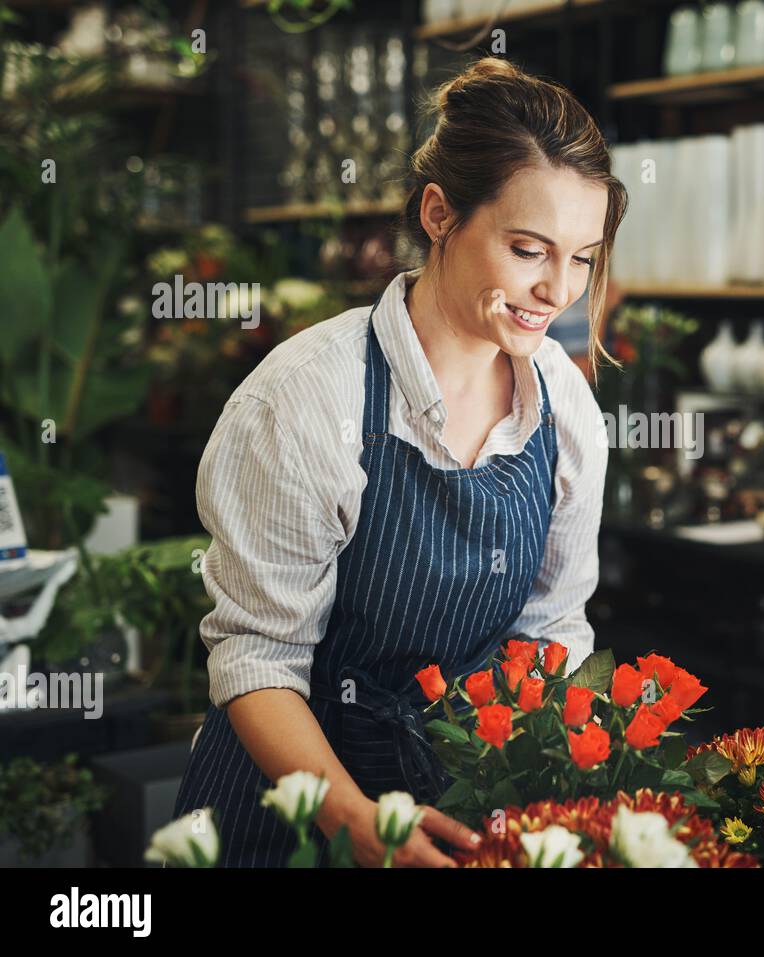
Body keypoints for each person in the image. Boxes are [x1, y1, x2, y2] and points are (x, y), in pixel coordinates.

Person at [171, 56, 627, 867]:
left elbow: (551, 634)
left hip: (458, 810)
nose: (558, 289)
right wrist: (359, 825)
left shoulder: (565, 408)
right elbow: (258, 660)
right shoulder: (306, 401)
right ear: (440, 213)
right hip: (287, 813)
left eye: (583, 257)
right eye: (528, 249)